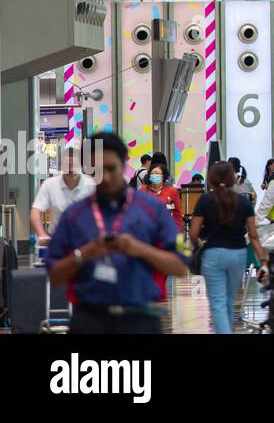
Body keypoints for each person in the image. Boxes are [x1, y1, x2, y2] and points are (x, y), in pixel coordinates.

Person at [47, 133, 189, 334]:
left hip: (140, 319)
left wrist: (139, 249)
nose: (105, 176)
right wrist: (85, 253)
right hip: (89, 321)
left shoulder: (153, 210)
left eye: (111, 168)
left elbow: (182, 266)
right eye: (97, 170)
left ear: (124, 164)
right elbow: (53, 276)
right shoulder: (74, 215)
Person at [190, 160, 267, 334]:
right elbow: (253, 235)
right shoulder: (243, 201)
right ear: (233, 178)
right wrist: (262, 261)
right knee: (229, 300)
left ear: (211, 178)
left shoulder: (204, 200)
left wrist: (198, 246)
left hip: (212, 255)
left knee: (217, 303)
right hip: (238, 254)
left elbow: (193, 233)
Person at [31, 146, 95, 242]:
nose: (71, 170)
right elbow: (35, 211)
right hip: (57, 238)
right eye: (67, 166)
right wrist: (42, 235)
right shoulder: (50, 184)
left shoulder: (91, 185)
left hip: (83, 238)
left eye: (74, 165)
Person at [143, 156, 184, 229]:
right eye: (152, 174)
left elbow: (177, 214)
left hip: (166, 229)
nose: (154, 175)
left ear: (164, 176)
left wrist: (178, 232)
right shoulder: (143, 190)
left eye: (157, 174)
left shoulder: (172, 191)